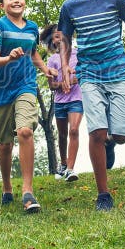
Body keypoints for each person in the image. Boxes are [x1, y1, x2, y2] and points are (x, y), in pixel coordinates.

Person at [57, 0, 125, 211]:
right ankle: (103, 194)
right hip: (90, 73)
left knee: (119, 134)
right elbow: (65, 39)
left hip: (117, 70)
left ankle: (110, 143)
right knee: (95, 131)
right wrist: (65, 67)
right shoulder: (70, 6)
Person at [0, 0, 56, 213]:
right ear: (2, 4)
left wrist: (45, 70)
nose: (16, 0)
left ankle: (28, 191)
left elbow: (33, 51)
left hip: (25, 85)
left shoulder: (32, 27)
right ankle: (7, 187)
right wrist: (8, 57)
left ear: (24, 1)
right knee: (5, 144)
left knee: (25, 130)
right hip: (1, 89)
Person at [41, 24, 84, 182]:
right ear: (53, 41)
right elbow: (52, 86)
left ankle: (71, 169)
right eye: (55, 37)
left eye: (61, 36)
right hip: (60, 101)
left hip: (76, 99)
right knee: (62, 134)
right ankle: (64, 164)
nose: (58, 40)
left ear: (68, 37)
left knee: (74, 130)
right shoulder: (52, 60)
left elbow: (84, 74)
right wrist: (64, 83)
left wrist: (73, 80)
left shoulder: (79, 54)